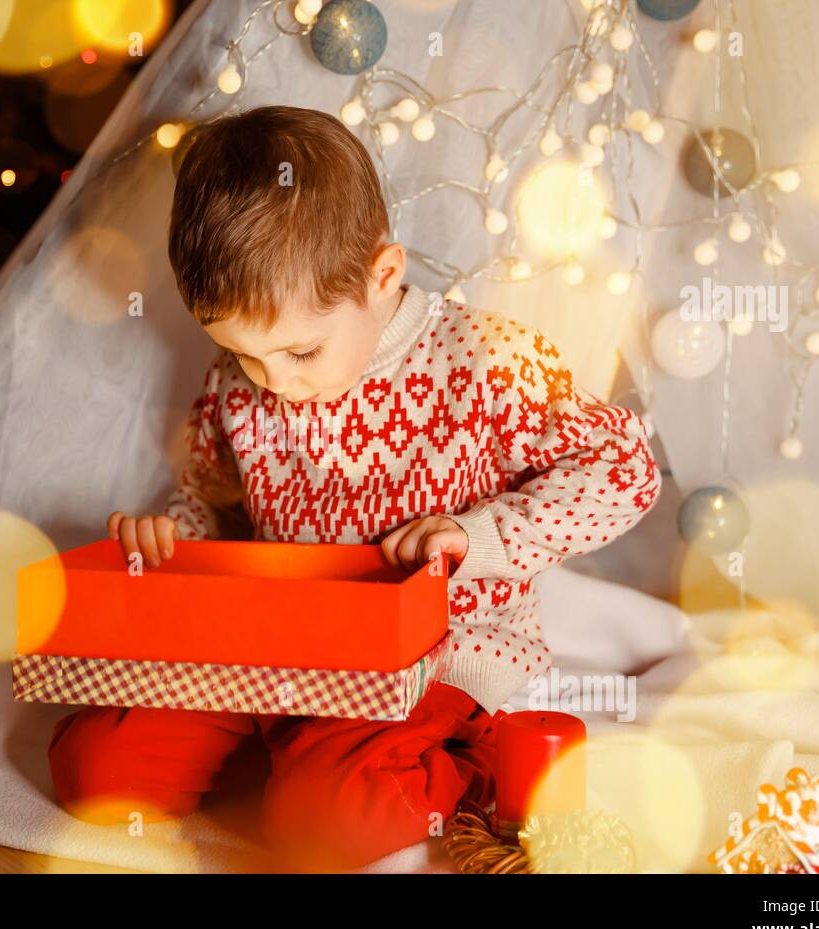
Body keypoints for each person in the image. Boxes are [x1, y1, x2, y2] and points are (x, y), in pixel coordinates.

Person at [48, 105, 661, 870]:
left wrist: (480, 536)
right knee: (97, 770)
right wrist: (173, 536)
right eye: (244, 355)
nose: (277, 384)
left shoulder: (486, 360)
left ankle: (470, 757)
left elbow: (623, 472)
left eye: (302, 351)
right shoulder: (242, 385)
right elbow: (209, 498)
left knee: (329, 827)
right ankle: (291, 756)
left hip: (430, 663)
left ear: (382, 277)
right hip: (275, 647)